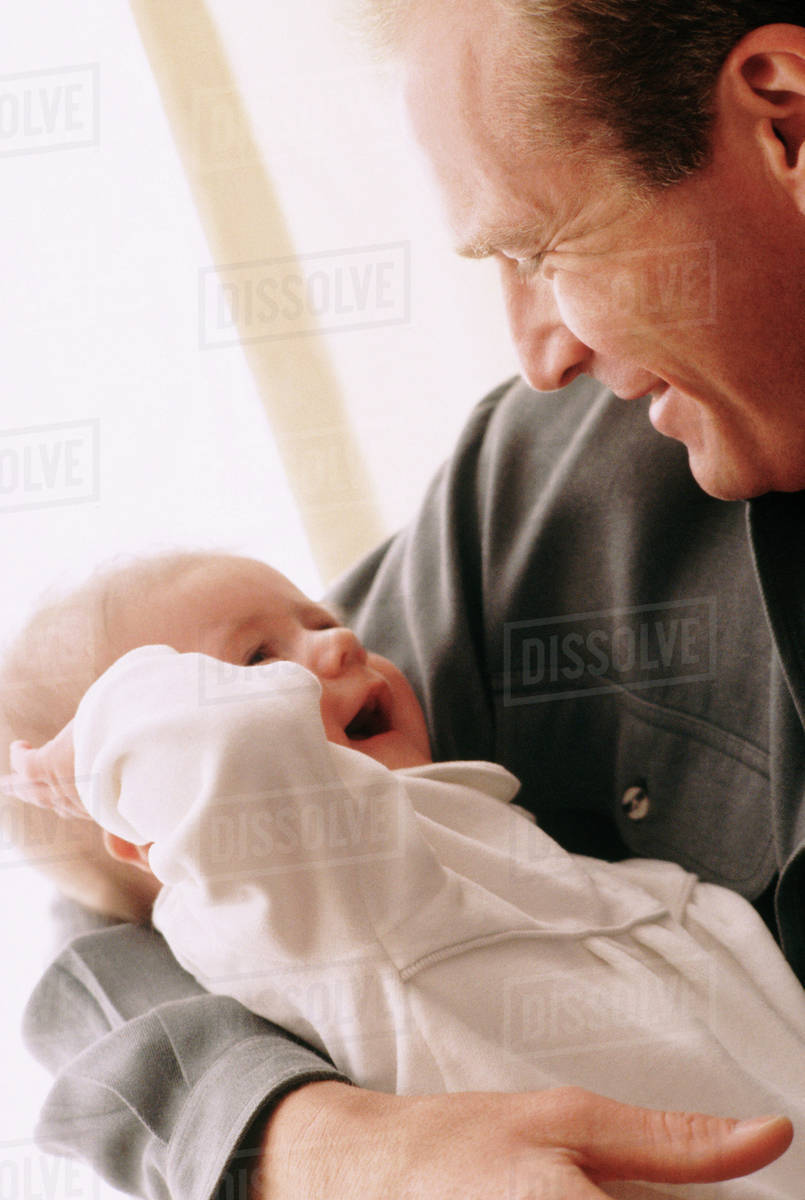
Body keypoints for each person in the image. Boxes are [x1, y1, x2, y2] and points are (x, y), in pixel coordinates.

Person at [10, 2, 805, 1197]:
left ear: (784, 121)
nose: (537, 356)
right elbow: (113, 914)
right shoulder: (543, 495)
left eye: (541, 250)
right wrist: (308, 1142)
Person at [7, 551, 802, 1199]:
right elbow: (212, 754)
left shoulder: (459, 829)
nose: (343, 643)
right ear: (150, 830)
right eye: (258, 659)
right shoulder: (315, 895)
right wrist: (111, 733)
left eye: (319, 620)